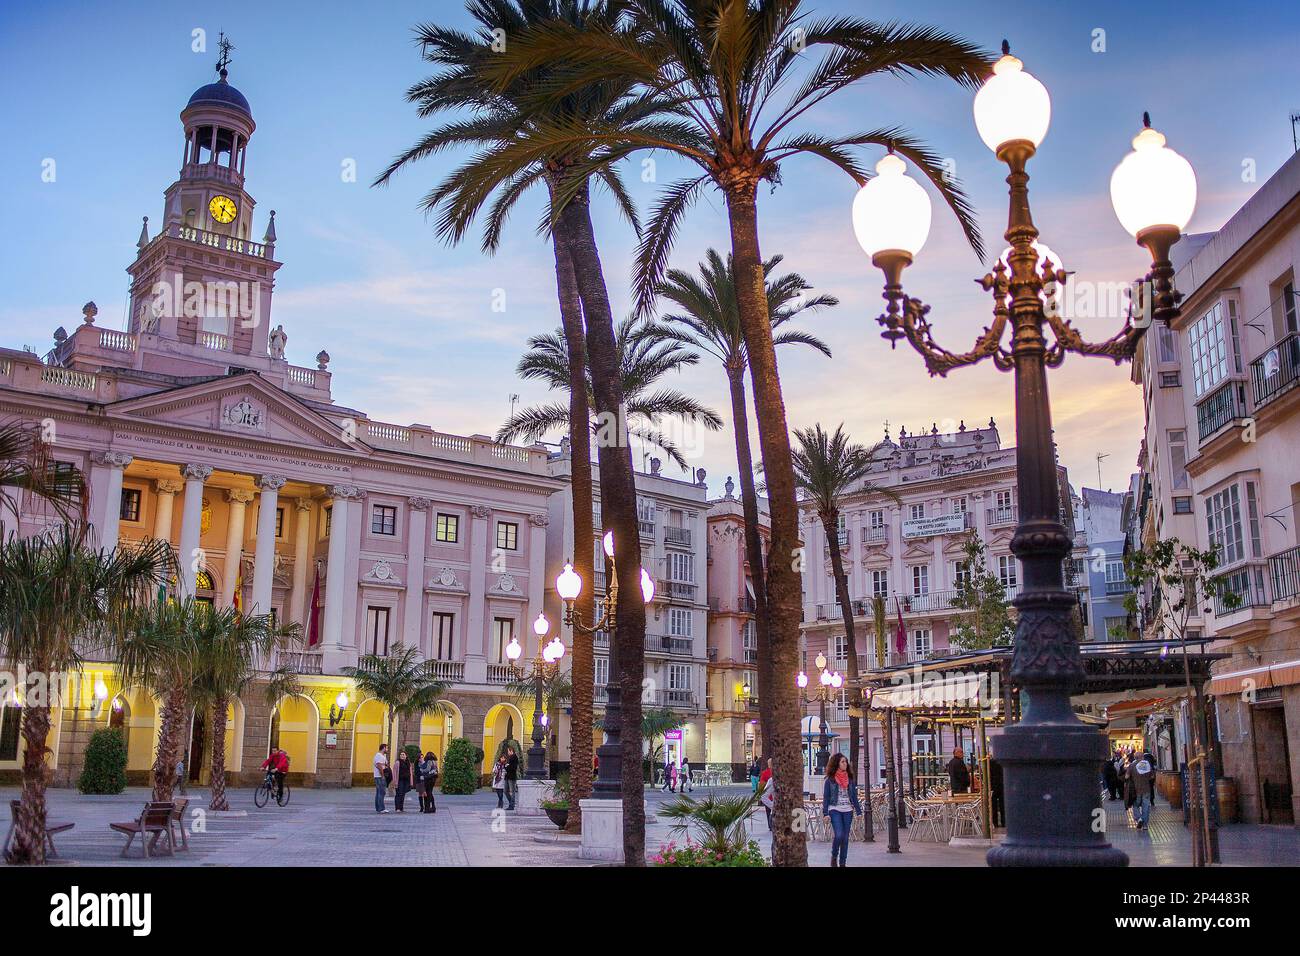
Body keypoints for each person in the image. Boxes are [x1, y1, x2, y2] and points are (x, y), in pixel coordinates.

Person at [821, 753, 862, 867]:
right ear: (837, 764)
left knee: (845, 838)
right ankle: (834, 855)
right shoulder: (830, 780)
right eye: (843, 762)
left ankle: (843, 863)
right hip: (835, 809)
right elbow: (826, 797)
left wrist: (858, 811)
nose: (845, 764)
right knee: (839, 835)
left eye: (846, 762)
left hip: (848, 810)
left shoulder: (850, 779)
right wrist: (825, 813)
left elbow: (854, 797)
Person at [1129, 750, 1156, 829]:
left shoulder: (1132, 765)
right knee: (1146, 806)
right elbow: (1152, 776)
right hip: (1146, 789)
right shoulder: (1146, 765)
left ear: (1135, 757)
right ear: (1142, 757)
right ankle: (1145, 825)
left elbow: (1127, 776)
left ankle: (1139, 818)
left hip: (1135, 790)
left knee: (1135, 805)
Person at [373, 743, 390, 813]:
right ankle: (381, 808)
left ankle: (378, 808)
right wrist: (383, 775)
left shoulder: (382, 756)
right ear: (383, 748)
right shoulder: (379, 756)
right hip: (379, 776)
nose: (387, 750)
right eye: (387, 748)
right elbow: (379, 766)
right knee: (381, 792)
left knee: (379, 792)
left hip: (379, 776)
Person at [505, 746, 520, 810]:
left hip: (512, 777)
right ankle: (511, 803)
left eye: (508, 751)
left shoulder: (514, 757)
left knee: (512, 791)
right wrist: (507, 766)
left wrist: (507, 767)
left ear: (511, 751)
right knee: (505, 791)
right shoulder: (510, 758)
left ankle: (512, 805)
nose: (508, 752)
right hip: (507, 776)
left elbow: (513, 768)